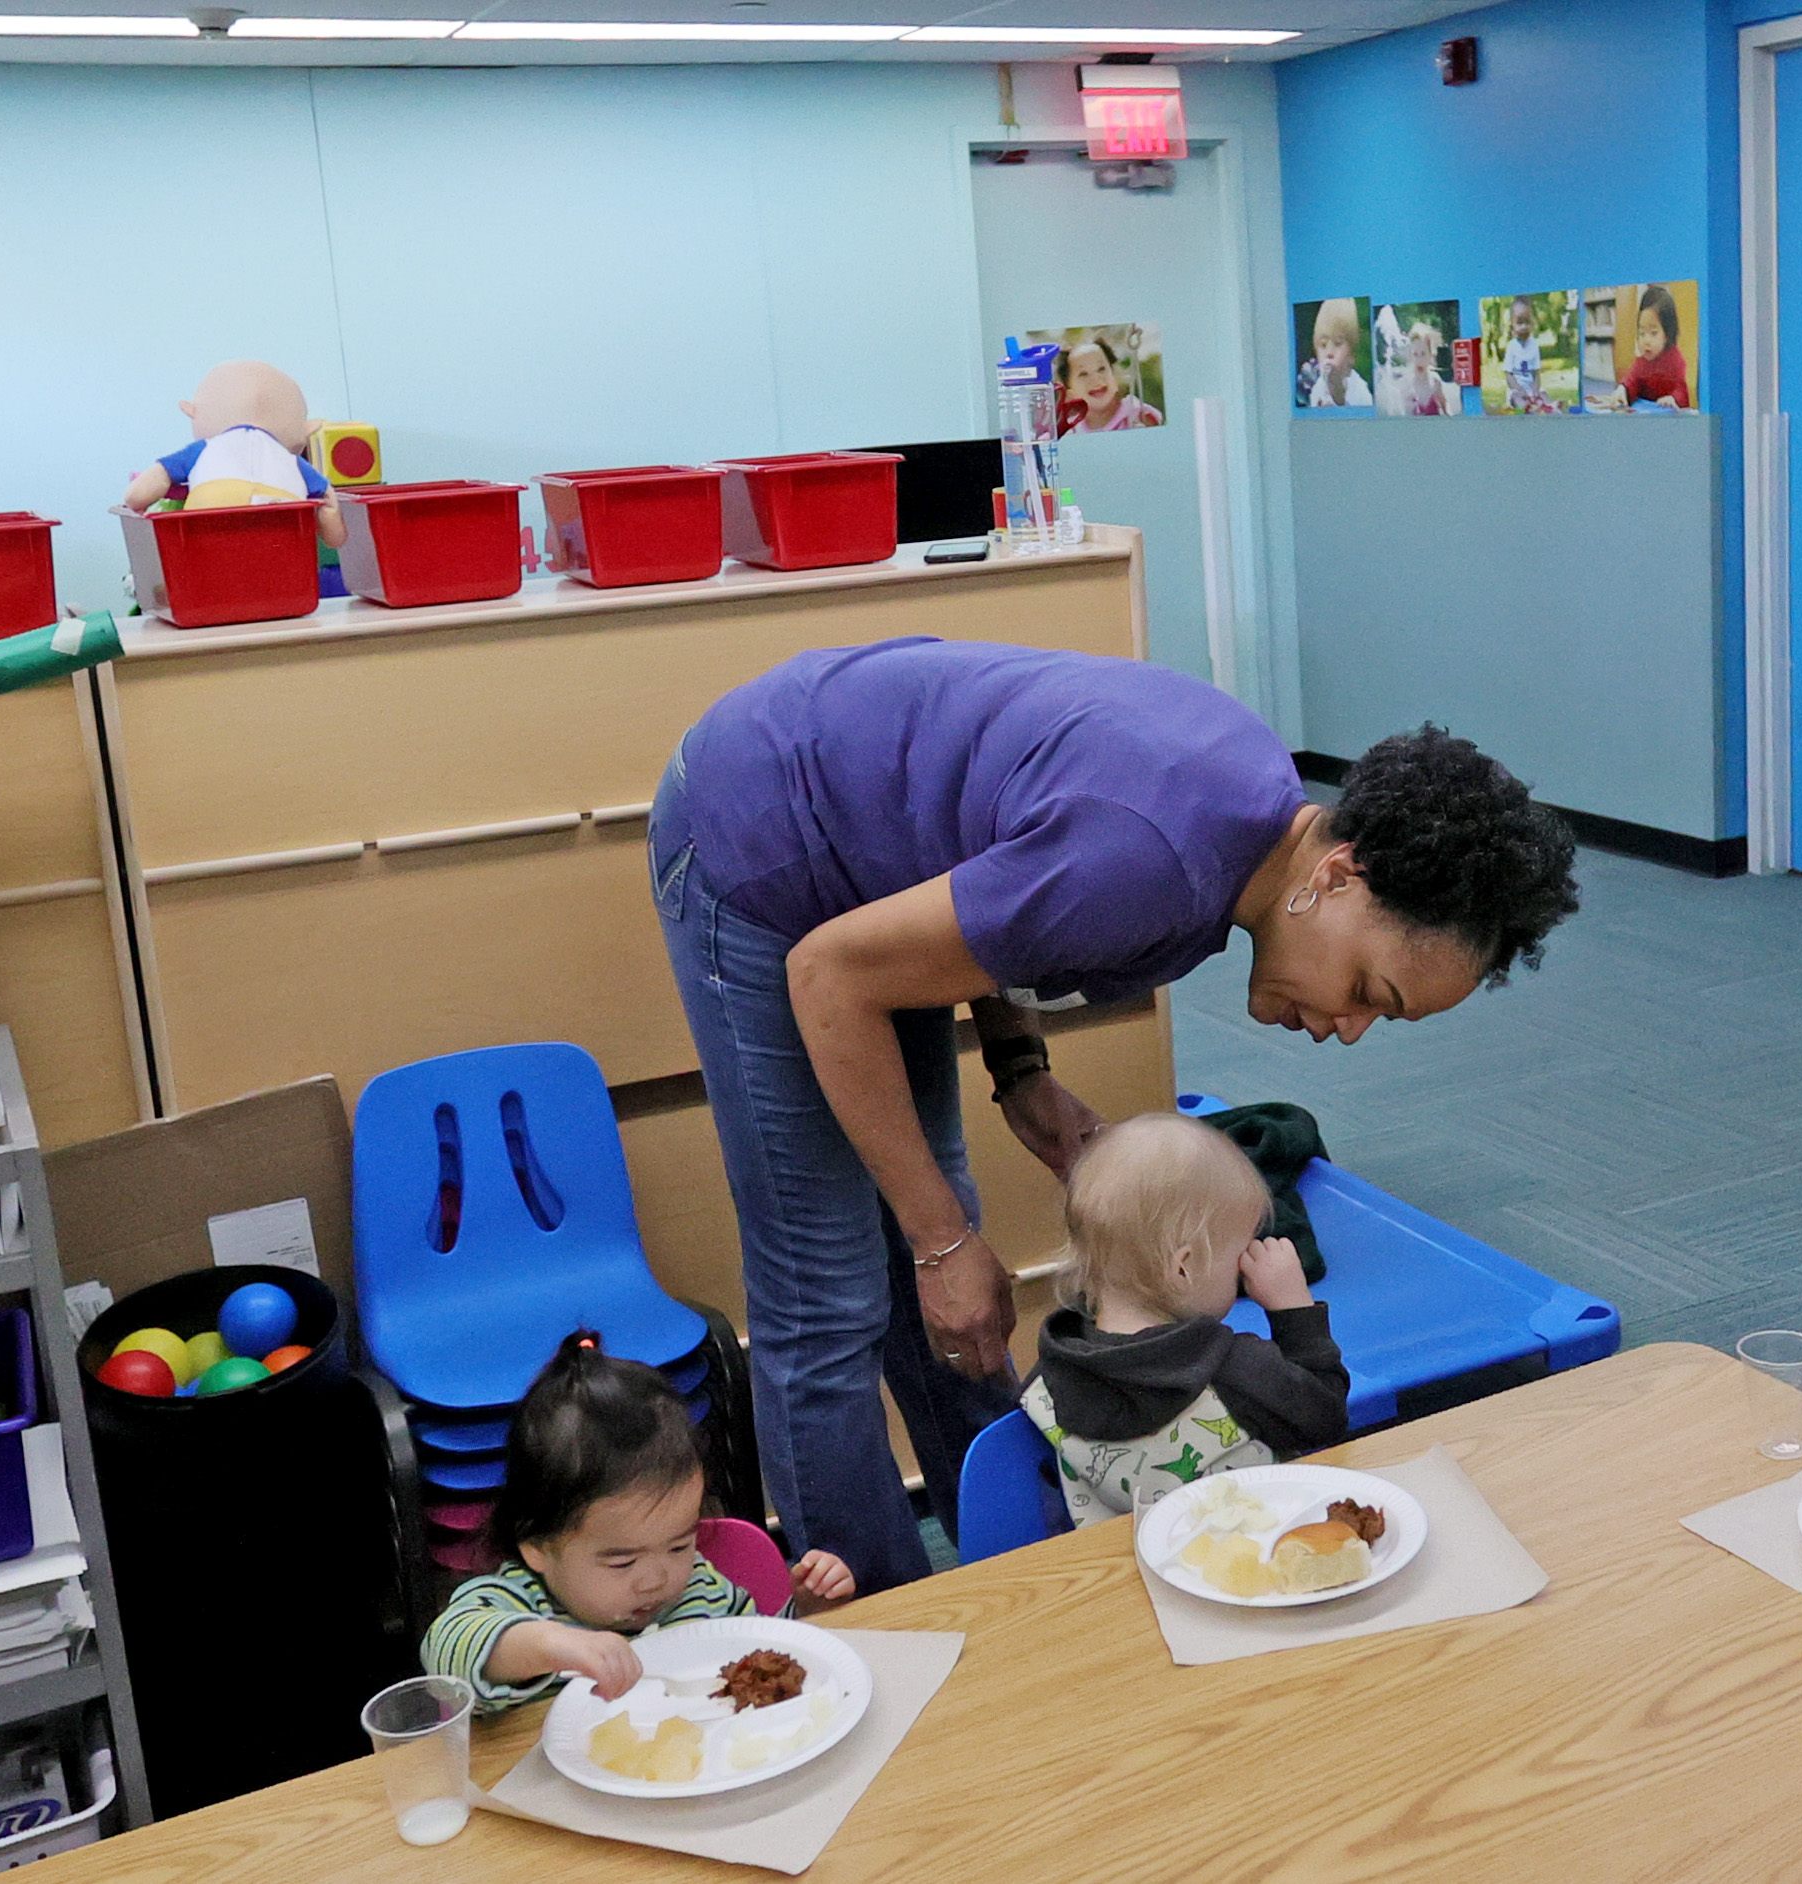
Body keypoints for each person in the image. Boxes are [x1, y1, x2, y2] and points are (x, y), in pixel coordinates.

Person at [650, 646, 1577, 1591]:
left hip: (863, 867)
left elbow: (989, 867)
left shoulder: (1249, 828)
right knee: (830, 1291)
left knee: (936, 1237)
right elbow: (832, 974)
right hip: (759, 838)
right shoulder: (1151, 863)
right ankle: (876, 1628)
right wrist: (939, 1241)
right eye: (1366, 990)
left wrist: (1020, 1071)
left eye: (1383, 1016)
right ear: (1337, 875)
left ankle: (1008, 1578)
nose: (1349, 1029)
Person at [420, 1334, 856, 1710]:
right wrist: (551, 1645)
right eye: (622, 1563)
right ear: (537, 1543)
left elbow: (752, 1657)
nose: (655, 1580)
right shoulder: (517, 1601)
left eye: (679, 1546)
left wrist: (807, 1612)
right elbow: (446, 1648)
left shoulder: (701, 1591)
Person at [1025, 1112, 1350, 1526]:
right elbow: (1326, 1419)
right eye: (1241, 1249)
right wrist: (1293, 1311)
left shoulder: (1050, 1374)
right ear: (1184, 1269)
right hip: (1243, 1574)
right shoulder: (1232, 1369)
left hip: (1127, 1577)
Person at [1061, 333, 1163, 433]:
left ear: (1114, 376)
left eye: (1101, 369)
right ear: (1070, 391)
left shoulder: (1137, 415)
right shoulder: (1072, 429)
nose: (1096, 379)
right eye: (1083, 374)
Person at [1617, 284, 1692, 411]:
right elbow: (1632, 379)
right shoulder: (1641, 362)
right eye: (1642, 333)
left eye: (1653, 333)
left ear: (1667, 335)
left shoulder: (1675, 360)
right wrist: (1622, 389)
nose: (1646, 341)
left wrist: (1673, 399)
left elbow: (1681, 390)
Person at [1307, 299, 1372, 407]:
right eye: (1323, 345)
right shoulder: (1317, 389)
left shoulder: (1359, 390)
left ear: (1351, 354)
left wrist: (1338, 394)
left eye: (1337, 343)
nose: (1329, 353)